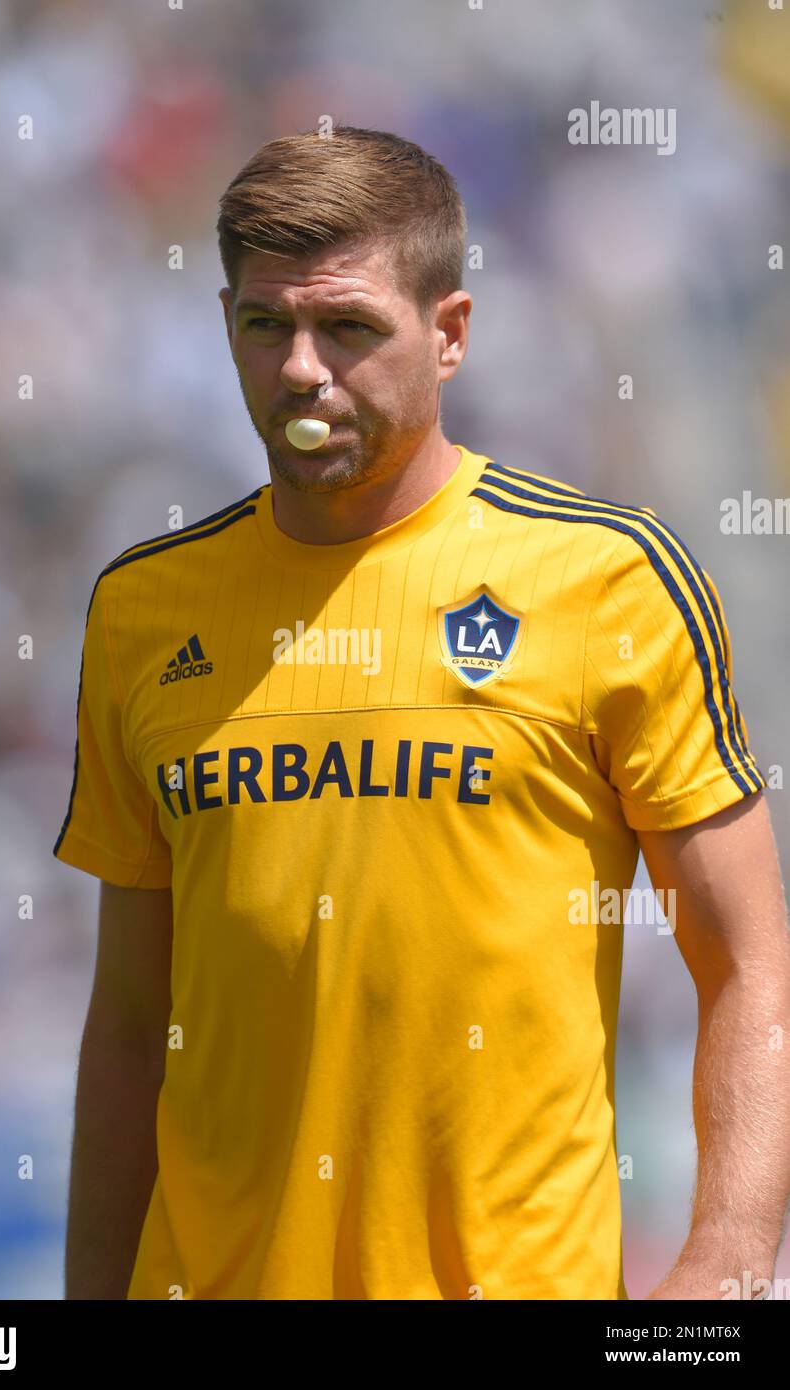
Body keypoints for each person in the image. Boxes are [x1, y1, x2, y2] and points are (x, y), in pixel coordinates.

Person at [54, 126, 790, 1300]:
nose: (301, 368)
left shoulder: (608, 578)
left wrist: (730, 1259)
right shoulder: (144, 610)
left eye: (347, 327)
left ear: (448, 335)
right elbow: (135, 1022)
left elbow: (750, 964)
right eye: (264, 324)